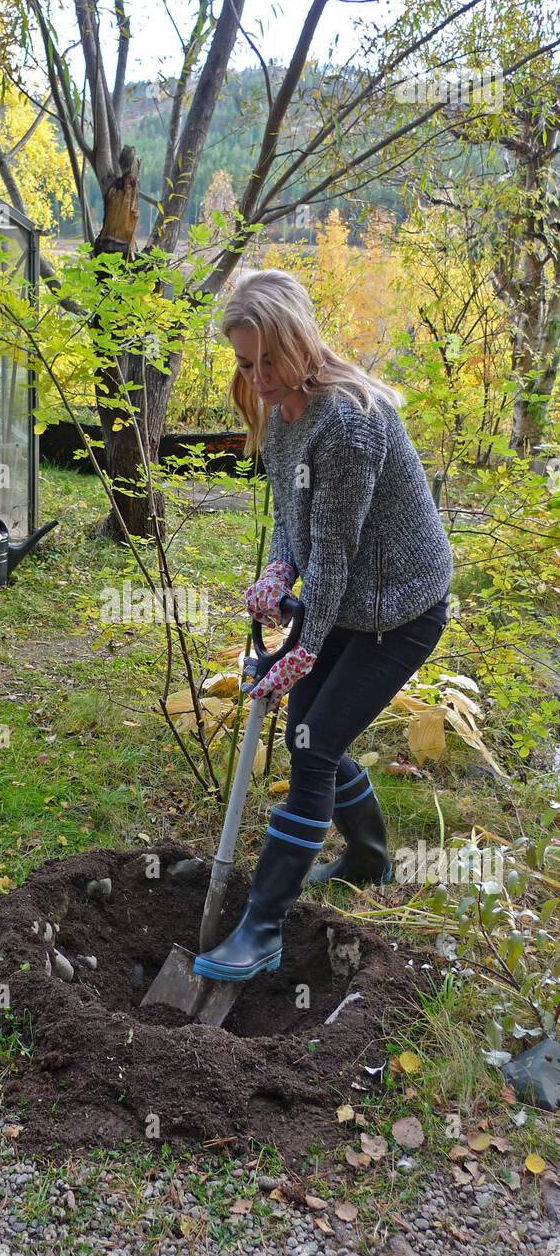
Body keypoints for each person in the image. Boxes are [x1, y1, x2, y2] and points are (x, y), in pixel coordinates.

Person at [193, 268, 453, 984]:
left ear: (301, 341)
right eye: (246, 363)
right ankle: (368, 856)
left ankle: (262, 927)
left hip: (400, 609)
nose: (259, 377)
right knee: (311, 729)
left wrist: (301, 650)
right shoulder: (279, 414)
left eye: (269, 359)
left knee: (311, 750)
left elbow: (333, 560)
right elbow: (295, 524)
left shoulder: (350, 421)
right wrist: (278, 572)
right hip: (346, 601)